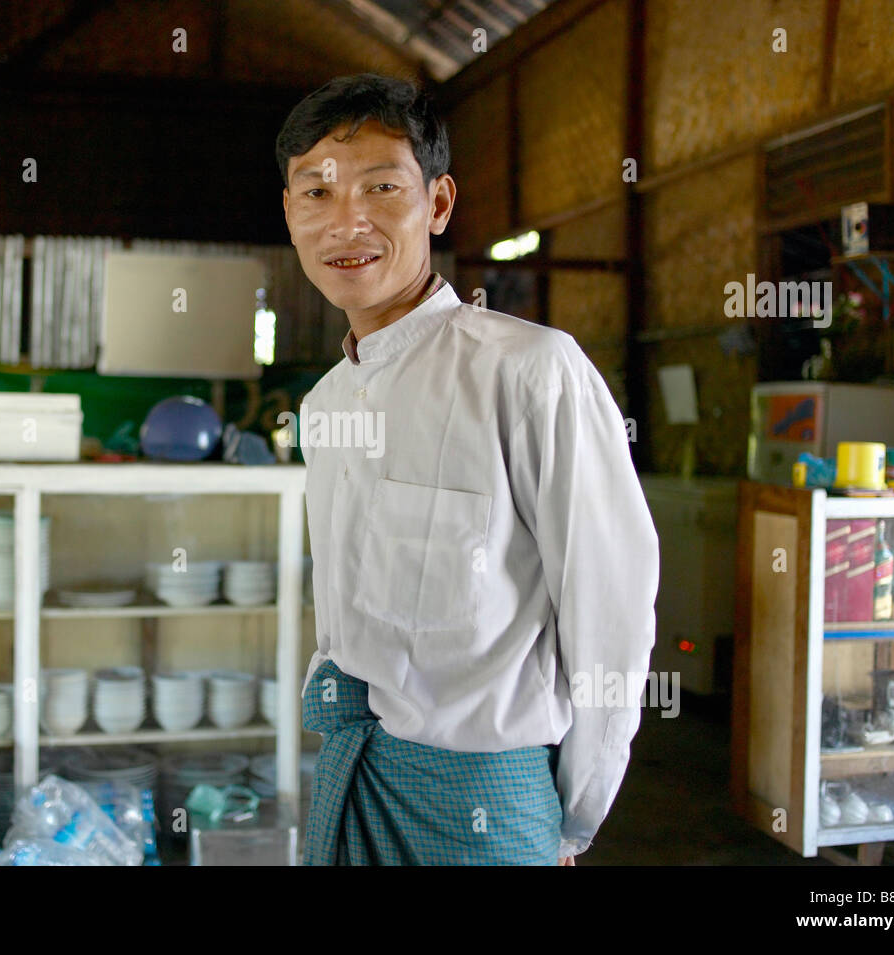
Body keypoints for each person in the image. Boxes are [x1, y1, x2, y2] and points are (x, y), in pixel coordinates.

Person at [277, 73, 659, 866]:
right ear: (290, 213)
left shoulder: (530, 373)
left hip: (488, 802)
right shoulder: (324, 405)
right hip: (359, 774)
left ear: (438, 203)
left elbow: (610, 615)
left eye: (382, 187)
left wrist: (571, 813)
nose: (347, 219)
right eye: (316, 192)